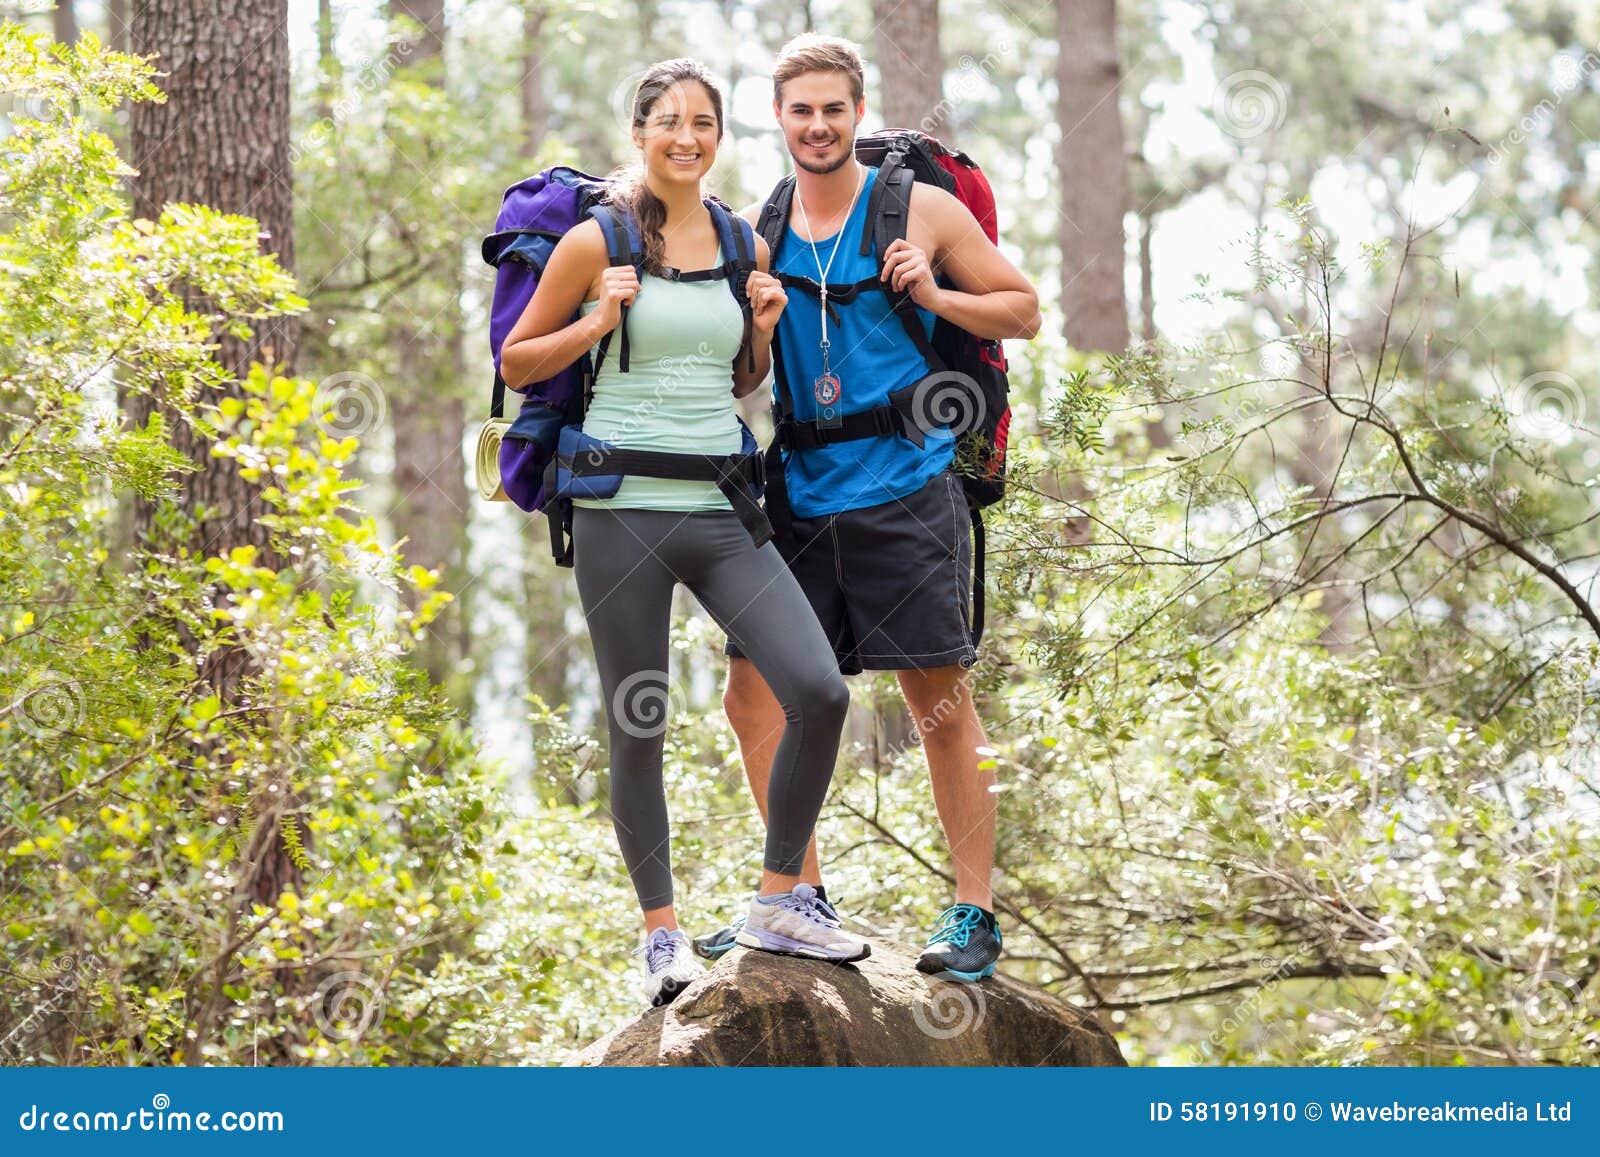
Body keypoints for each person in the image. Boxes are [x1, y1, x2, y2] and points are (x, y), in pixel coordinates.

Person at [500, 58, 870, 1009]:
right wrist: (597, 319)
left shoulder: (743, 238)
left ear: (718, 135)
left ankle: (780, 900)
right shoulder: (598, 239)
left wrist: (762, 327)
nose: (686, 137)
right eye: (668, 121)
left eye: (702, 122)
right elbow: (517, 357)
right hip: (621, 508)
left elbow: (740, 382)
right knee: (641, 724)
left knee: (819, 690)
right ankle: (661, 936)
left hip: (719, 504)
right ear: (641, 134)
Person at [696, 35, 1042, 983]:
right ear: (780, 118)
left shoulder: (917, 207)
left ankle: (973, 913)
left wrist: (933, 291)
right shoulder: (759, 229)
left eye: (833, 109)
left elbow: (1022, 308)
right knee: (754, 694)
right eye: (800, 110)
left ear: (858, 112)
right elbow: (748, 381)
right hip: (797, 495)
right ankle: (793, 896)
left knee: (936, 703)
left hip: (906, 486)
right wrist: (758, 331)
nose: (817, 125)